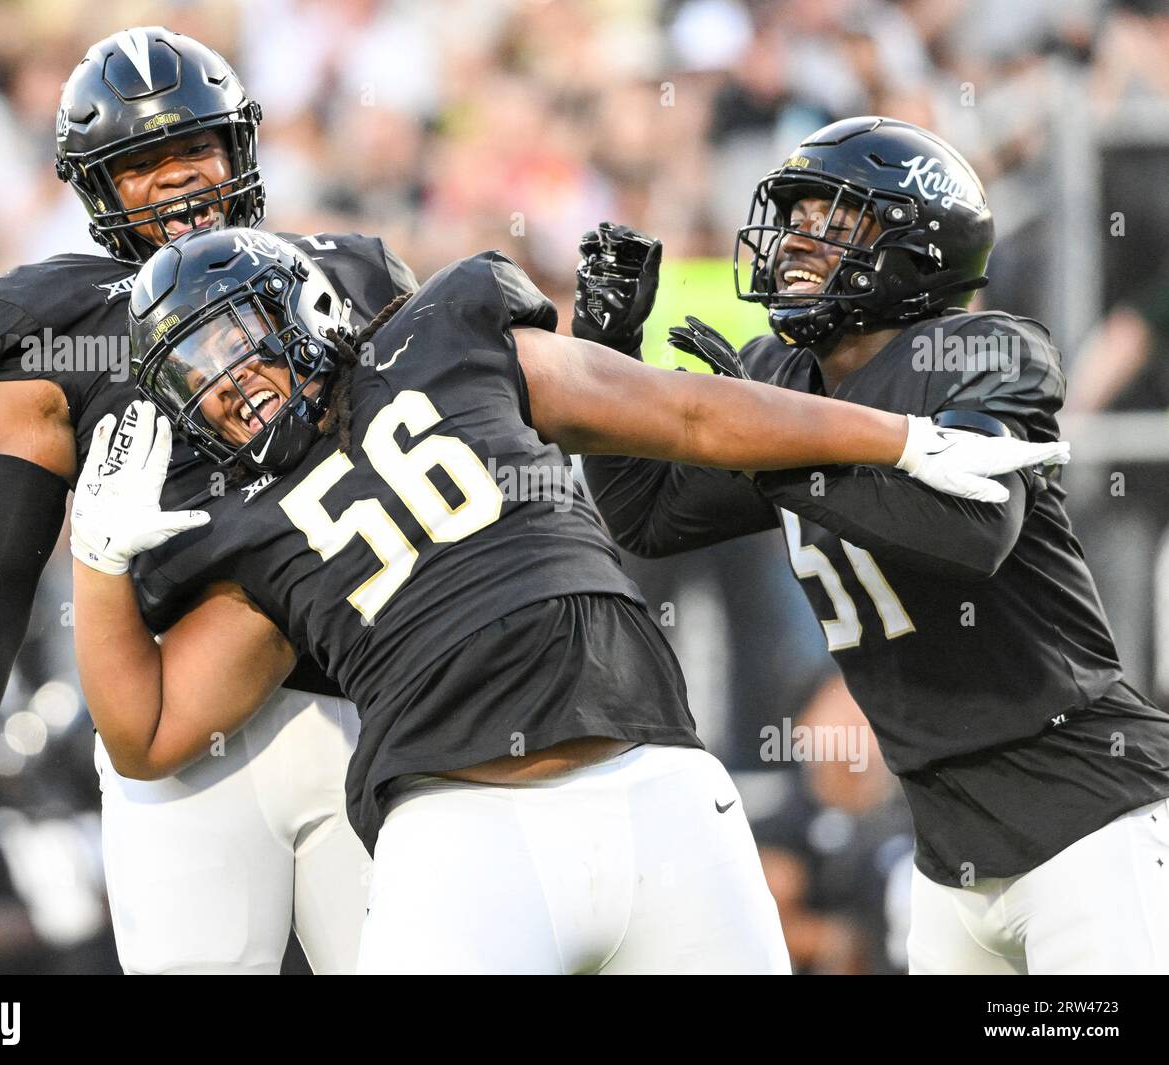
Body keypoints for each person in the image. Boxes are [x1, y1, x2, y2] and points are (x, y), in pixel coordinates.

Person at [66, 224, 1063, 974]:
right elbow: (145, 735)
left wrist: (893, 437)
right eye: (189, 373)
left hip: (660, 790)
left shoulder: (449, 338)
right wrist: (99, 561)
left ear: (301, 306)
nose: (224, 384)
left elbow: (684, 412)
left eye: (229, 340)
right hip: (460, 834)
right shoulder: (248, 528)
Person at [0, 26, 416, 976]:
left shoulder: (351, 276)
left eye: (191, 149)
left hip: (360, 705)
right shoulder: (55, 321)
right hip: (172, 723)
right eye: (141, 164)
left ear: (238, 150)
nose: (174, 180)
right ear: (96, 191)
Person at [579, 116, 1169, 974]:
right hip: (946, 848)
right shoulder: (785, 376)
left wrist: (767, 447)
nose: (795, 243)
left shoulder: (983, 349)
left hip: (1089, 823)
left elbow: (969, 534)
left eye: (833, 221)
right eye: (795, 218)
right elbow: (649, 517)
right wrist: (607, 357)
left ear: (917, 247)